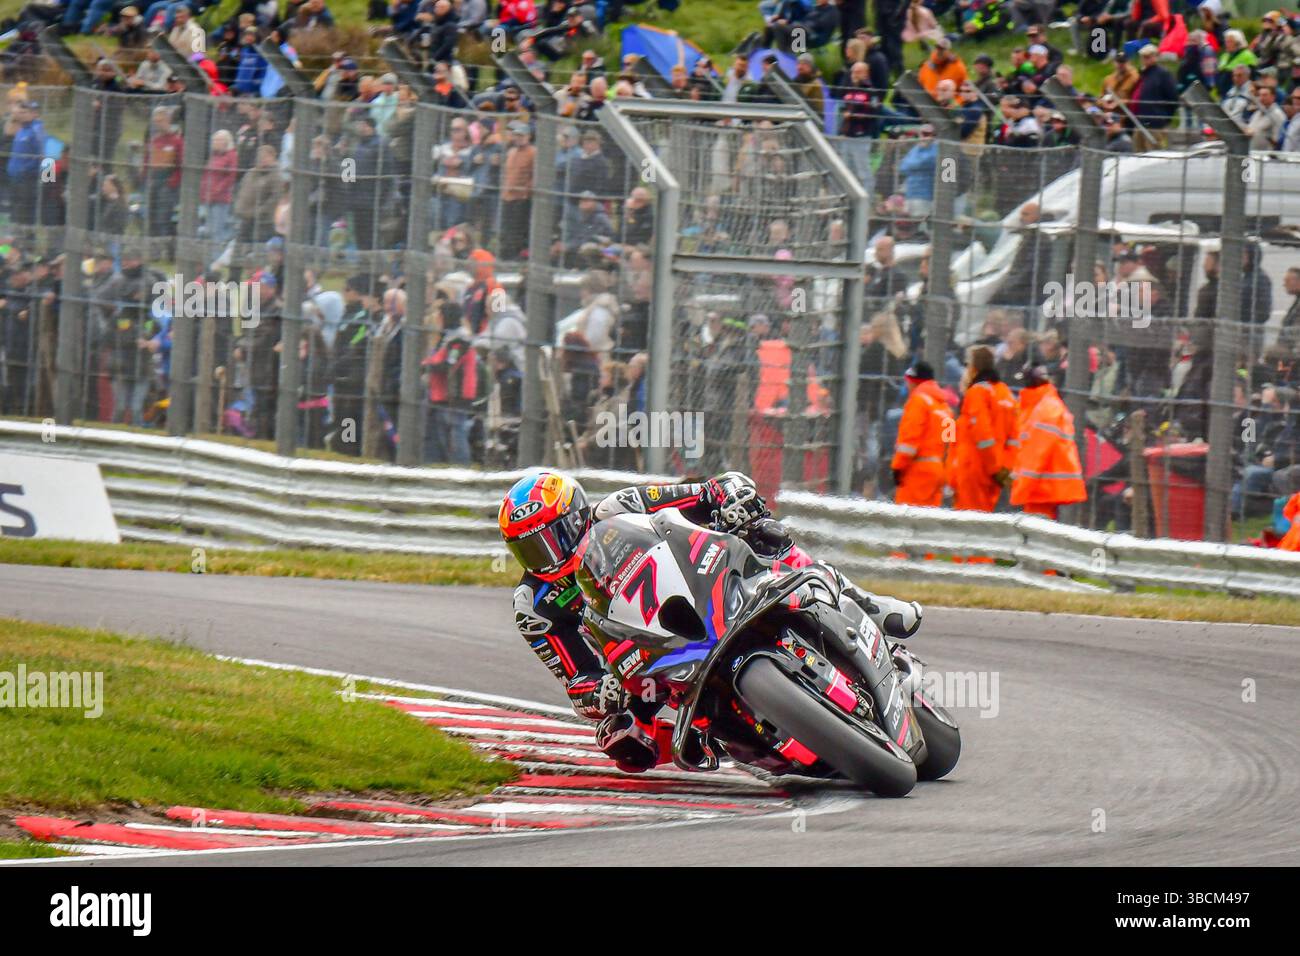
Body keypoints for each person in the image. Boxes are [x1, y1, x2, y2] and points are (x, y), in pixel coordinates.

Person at [499, 470, 924, 771]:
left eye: (549, 538)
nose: (546, 557)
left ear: (574, 515)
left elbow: (702, 493)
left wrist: (731, 498)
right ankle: (724, 736)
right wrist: (601, 692)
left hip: (706, 588)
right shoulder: (534, 606)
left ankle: (863, 603)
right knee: (623, 742)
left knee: (769, 537)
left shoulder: (618, 508)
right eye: (530, 550)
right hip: (643, 659)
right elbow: (576, 681)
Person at [1009, 364, 1086, 520]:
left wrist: (1021, 487)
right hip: (1043, 487)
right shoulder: (1043, 405)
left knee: (1035, 534)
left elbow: (1036, 453)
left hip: (1040, 488)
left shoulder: (1045, 409)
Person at [949, 345, 1016, 512]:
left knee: (968, 523)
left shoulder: (976, 393)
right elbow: (1014, 437)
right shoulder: (1005, 393)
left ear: (972, 368)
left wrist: (993, 468)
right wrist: (1004, 470)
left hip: (973, 469)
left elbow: (981, 435)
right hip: (994, 472)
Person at [891, 360, 954, 507]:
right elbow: (950, 444)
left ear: (914, 381)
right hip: (938, 471)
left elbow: (909, 441)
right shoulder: (946, 409)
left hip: (917, 472)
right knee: (928, 524)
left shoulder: (918, 402)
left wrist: (898, 468)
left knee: (907, 522)